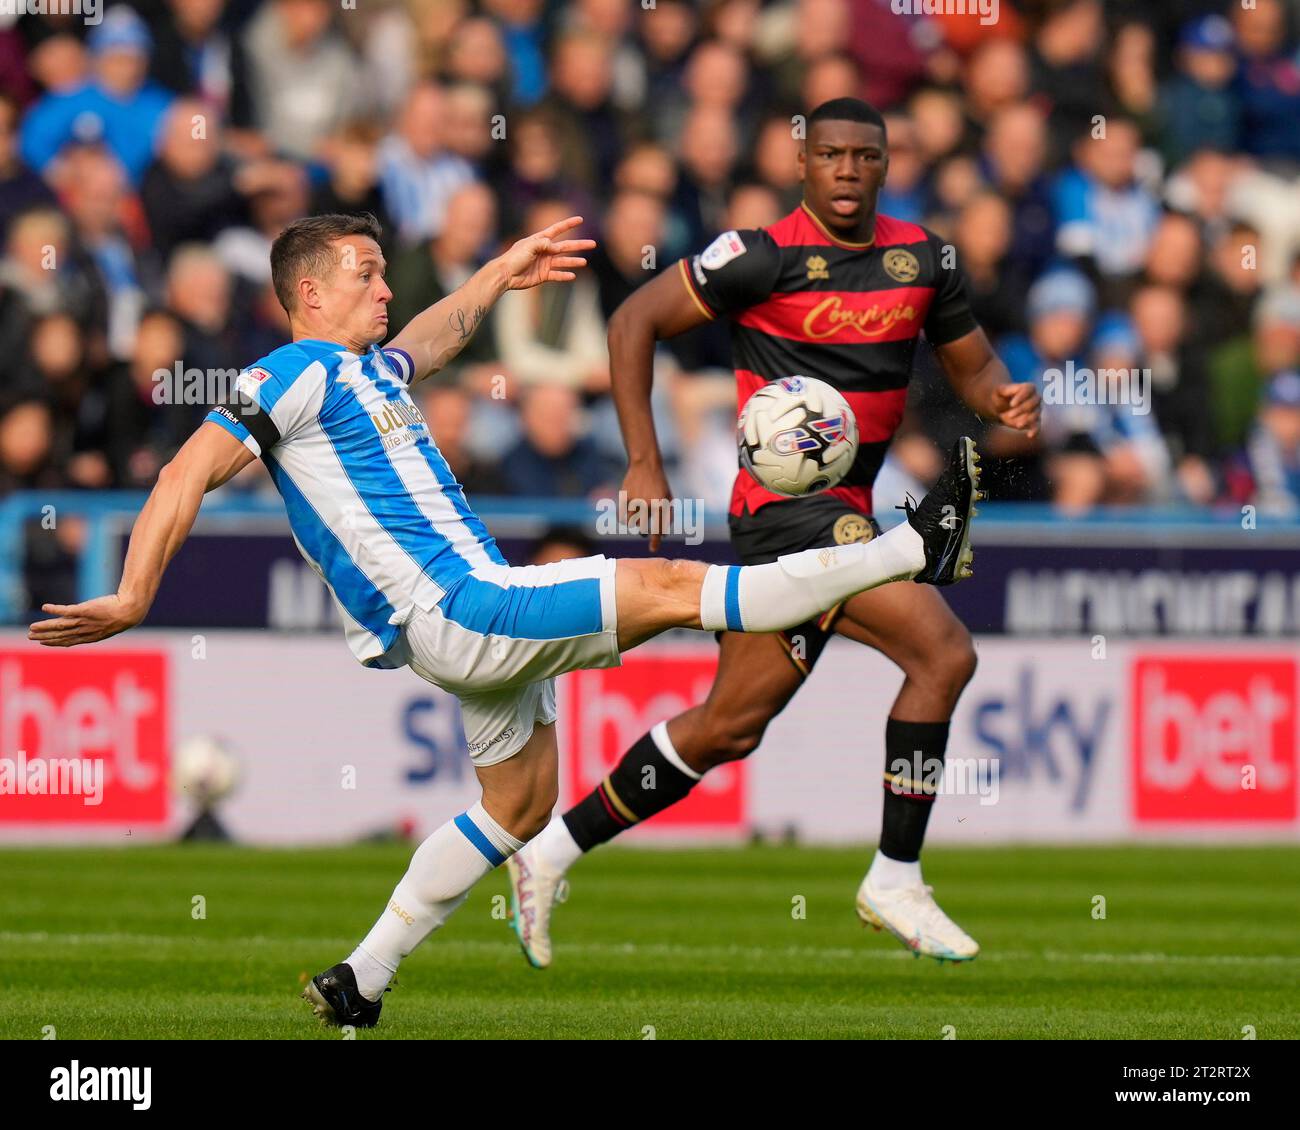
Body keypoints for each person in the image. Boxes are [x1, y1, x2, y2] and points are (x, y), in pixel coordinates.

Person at [28, 209, 983, 1028]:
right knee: (668, 587)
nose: (385, 289)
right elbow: (184, 472)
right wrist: (136, 592)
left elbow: (437, 335)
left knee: (522, 803)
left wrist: (497, 273)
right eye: (365, 276)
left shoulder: (368, 375)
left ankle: (361, 979)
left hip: (458, 624)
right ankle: (908, 547)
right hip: (462, 605)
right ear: (308, 295)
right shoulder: (291, 376)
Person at [506, 98, 1041, 969]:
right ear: (802, 164)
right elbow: (631, 320)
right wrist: (646, 460)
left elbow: (973, 367)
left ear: (883, 165)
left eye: (863, 157)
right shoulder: (758, 256)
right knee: (943, 654)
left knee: (729, 725)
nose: (845, 171)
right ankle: (894, 877)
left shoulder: (925, 260)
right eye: (829, 155)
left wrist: (1004, 398)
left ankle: (551, 850)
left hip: (850, 512)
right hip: (786, 512)